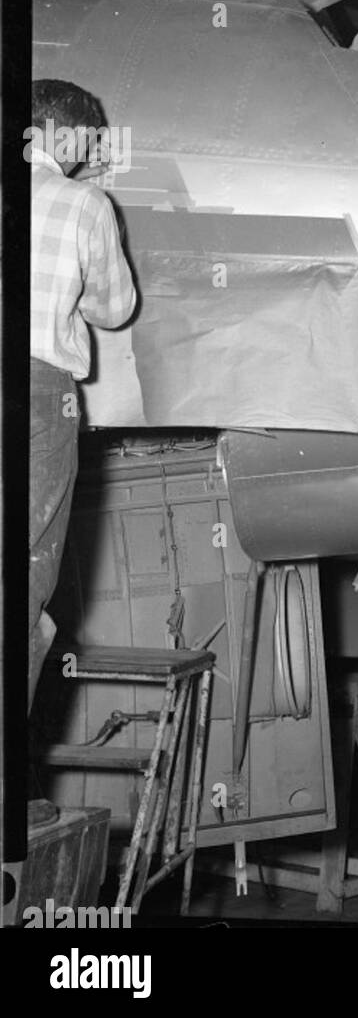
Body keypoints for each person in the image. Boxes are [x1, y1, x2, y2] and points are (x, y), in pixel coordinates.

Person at [29, 80, 136, 714]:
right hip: (41, 395)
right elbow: (115, 308)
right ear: (64, 135)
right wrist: (88, 198)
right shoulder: (84, 203)